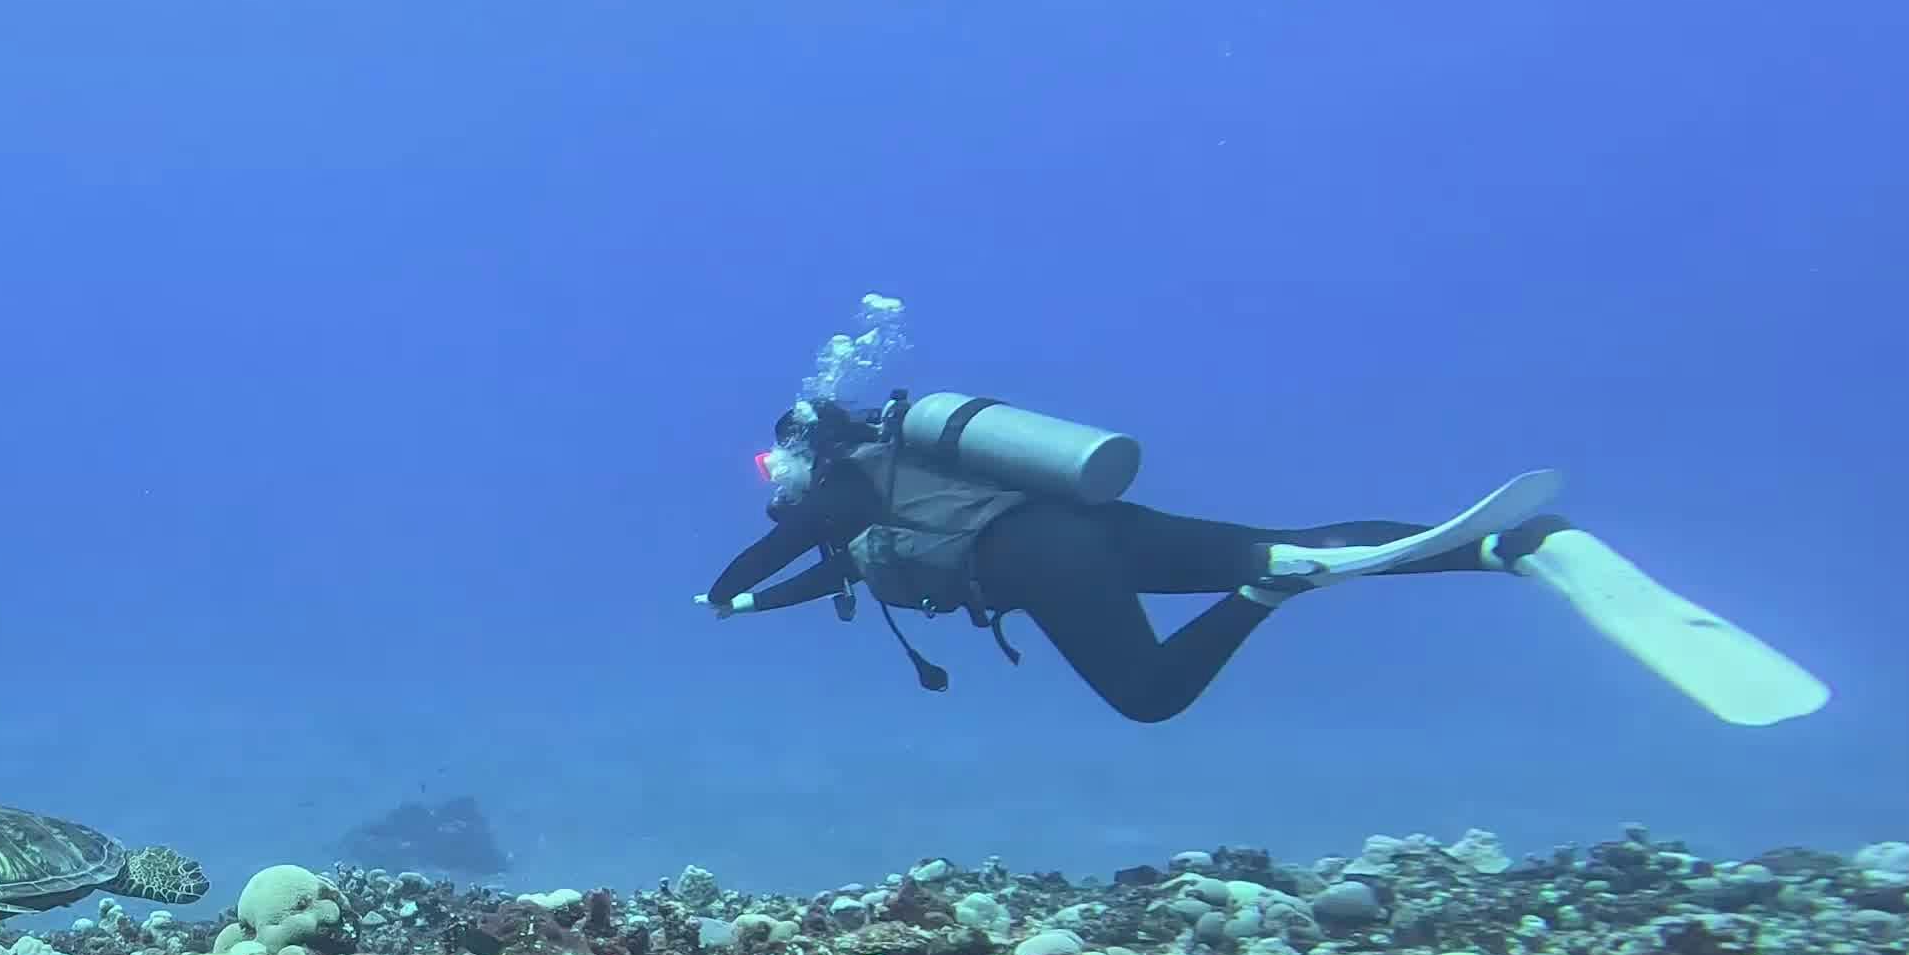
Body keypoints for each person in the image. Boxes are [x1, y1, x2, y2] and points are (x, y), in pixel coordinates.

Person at [702, 383, 1825, 727]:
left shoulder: (843, 486)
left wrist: (721, 593)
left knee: (1149, 694)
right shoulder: (888, 507)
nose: (776, 491)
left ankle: (1258, 599)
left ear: (803, 457)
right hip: (1084, 533)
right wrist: (754, 611)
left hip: (1045, 561)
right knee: (1294, 536)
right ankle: (1514, 544)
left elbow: (776, 556)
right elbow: (820, 577)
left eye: (772, 473)